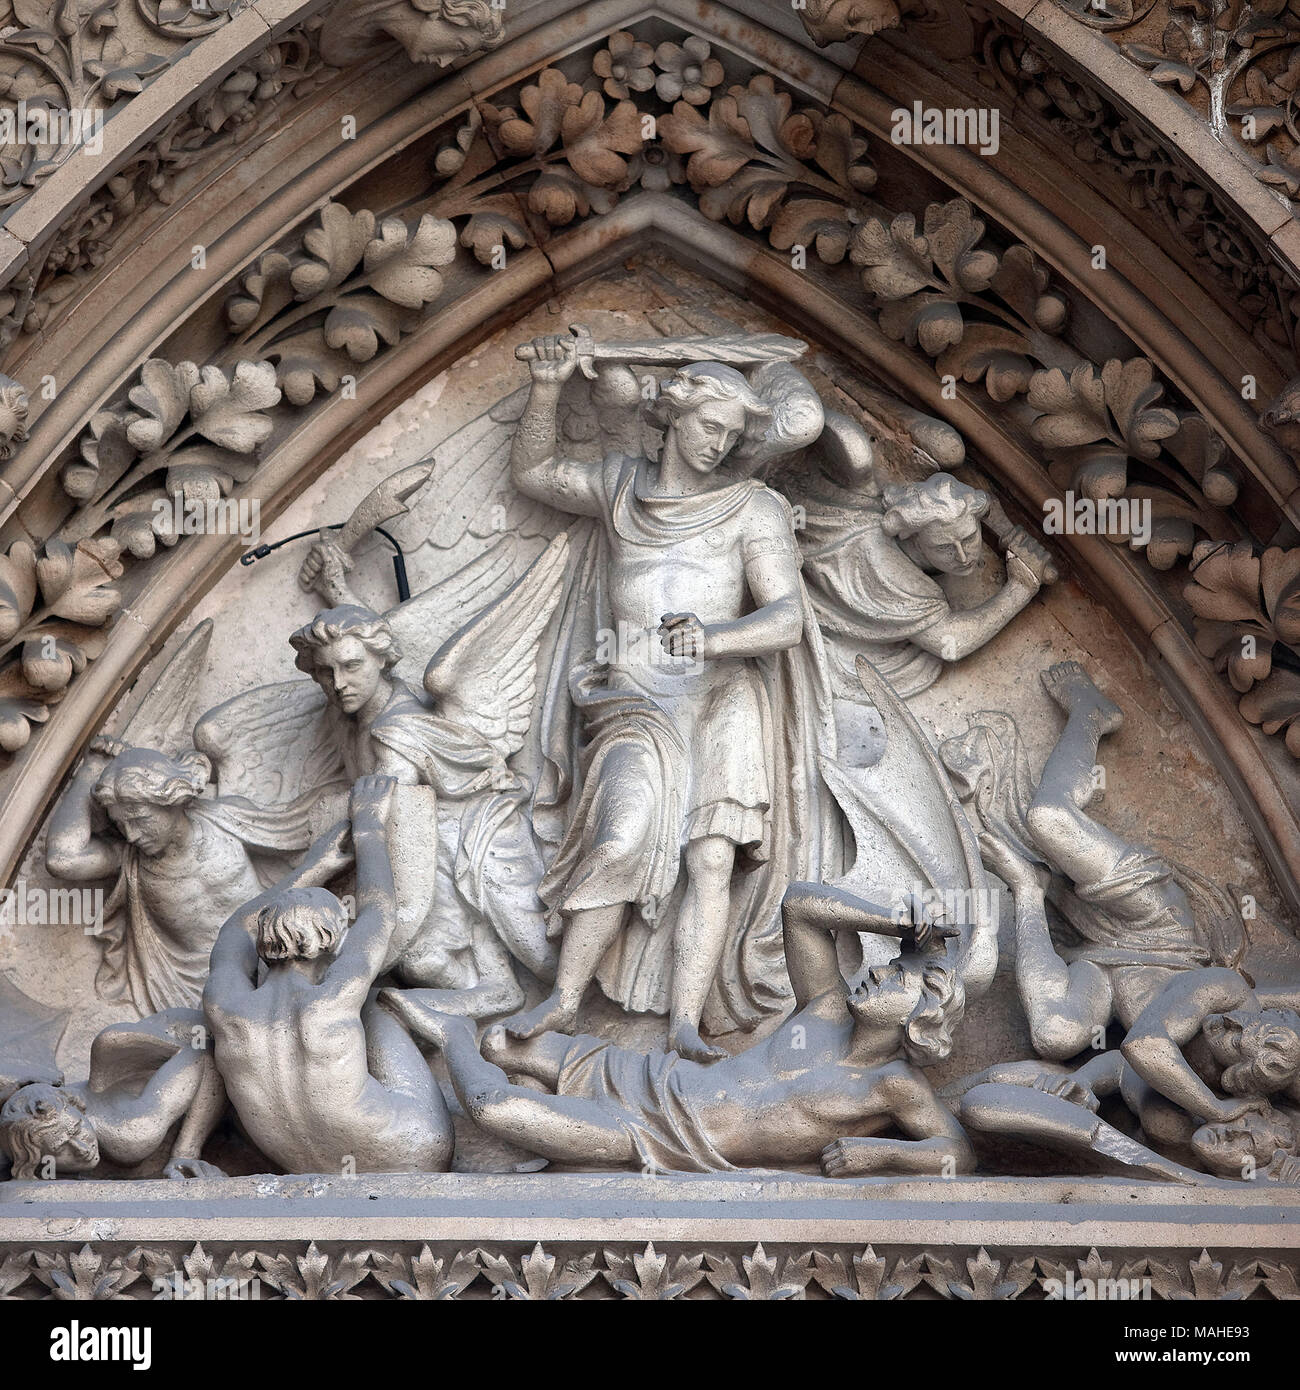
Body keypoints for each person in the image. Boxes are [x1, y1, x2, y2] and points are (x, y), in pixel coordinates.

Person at [504, 334, 842, 1059]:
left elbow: (785, 618)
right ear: (671, 417)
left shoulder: (755, 507)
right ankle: (565, 1000)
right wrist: (544, 388)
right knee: (621, 835)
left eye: (731, 433)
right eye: (708, 426)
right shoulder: (619, 486)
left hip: (723, 697)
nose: (719, 444)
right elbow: (532, 471)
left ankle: (685, 1023)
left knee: (712, 859)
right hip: (635, 701)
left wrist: (712, 638)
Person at [381, 880, 971, 1176]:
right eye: (886, 963)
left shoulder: (890, 1087)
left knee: (489, 1105)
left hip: (657, 1139)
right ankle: (495, 1059)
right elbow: (798, 904)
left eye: (896, 978)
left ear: (923, 1017)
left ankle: (450, 1034)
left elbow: (959, 1154)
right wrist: (894, 921)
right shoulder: (825, 1010)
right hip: (650, 1077)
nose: (875, 974)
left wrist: (879, 1156)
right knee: (503, 1042)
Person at [957, 661, 1246, 1058]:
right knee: (1049, 819)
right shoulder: (1238, 1008)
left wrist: (1025, 890)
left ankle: (1027, 887)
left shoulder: (1164, 1093)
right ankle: (1090, 713)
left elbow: (1130, 1058)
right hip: (1160, 929)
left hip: (1106, 968)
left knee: (1055, 1036)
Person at [203, 776, 453, 1175]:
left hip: (299, 1163)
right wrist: (368, 824)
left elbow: (235, 928)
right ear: (334, 940)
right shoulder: (337, 995)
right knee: (377, 1003)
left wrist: (315, 865)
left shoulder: (224, 1007)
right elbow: (378, 911)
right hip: (411, 1151)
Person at [46, 740, 336, 1013]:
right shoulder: (129, 860)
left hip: (283, 964)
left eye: (140, 820)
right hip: (201, 994)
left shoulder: (226, 821)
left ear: (170, 800)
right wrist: (91, 769)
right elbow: (62, 859)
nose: (132, 835)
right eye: (121, 825)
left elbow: (295, 833)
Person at [0, 1008, 225, 1180]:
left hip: (214, 1041)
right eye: (61, 1149)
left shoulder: (131, 1132)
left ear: (76, 1106)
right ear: (39, 1161)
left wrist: (185, 1153)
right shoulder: (35, 1149)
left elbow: (202, 1053)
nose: (82, 1148)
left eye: (78, 1129)